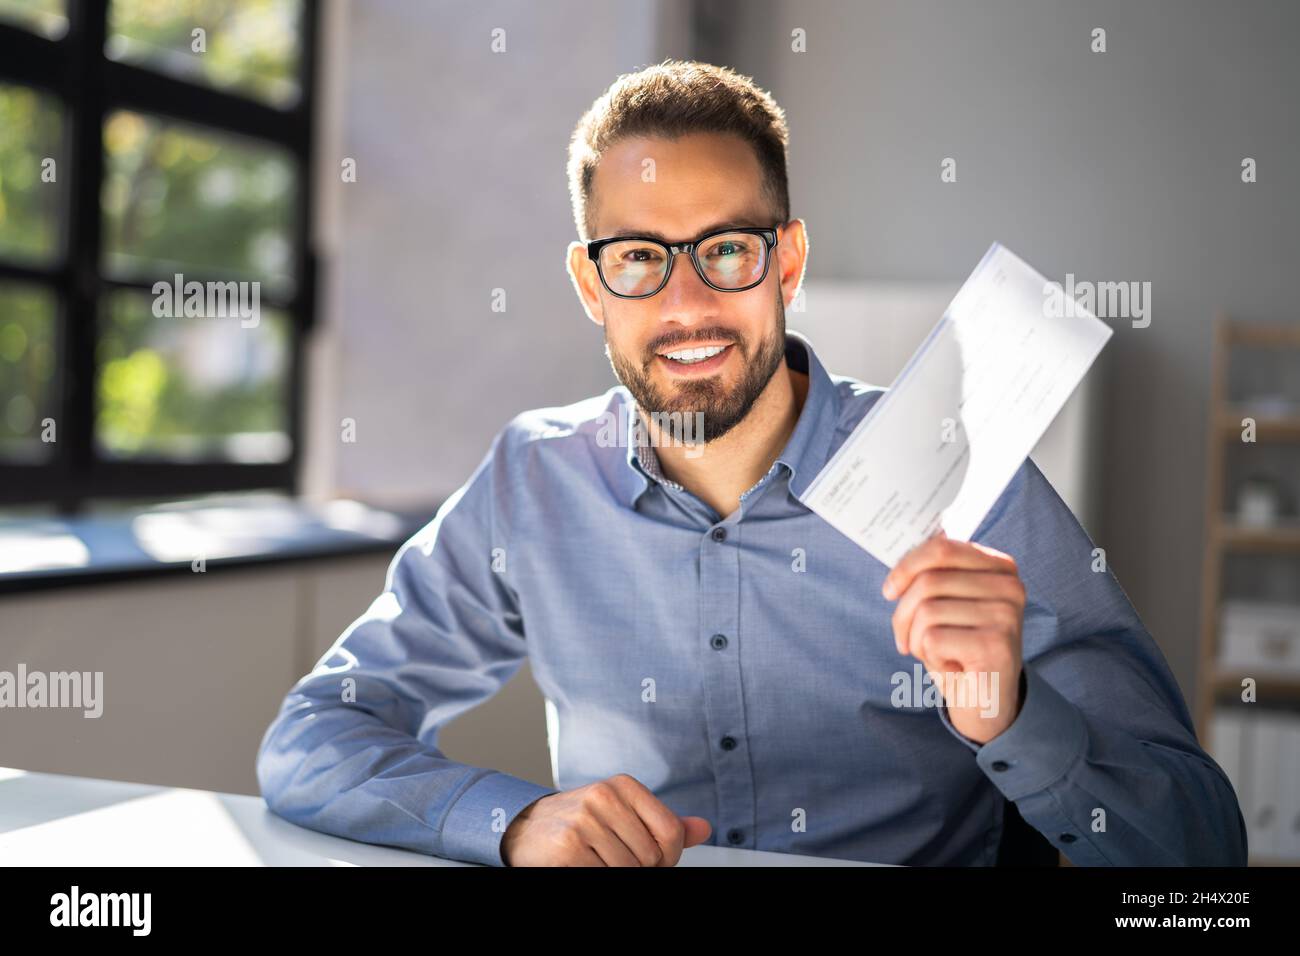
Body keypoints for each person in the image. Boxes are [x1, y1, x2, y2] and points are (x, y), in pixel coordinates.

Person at [256, 60, 1247, 867]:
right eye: (639, 257)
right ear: (590, 283)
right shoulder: (532, 481)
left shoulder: (964, 476)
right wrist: (509, 820)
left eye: (724, 250)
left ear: (787, 258)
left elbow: (1199, 853)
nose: (685, 304)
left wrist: (1013, 711)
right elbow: (312, 737)